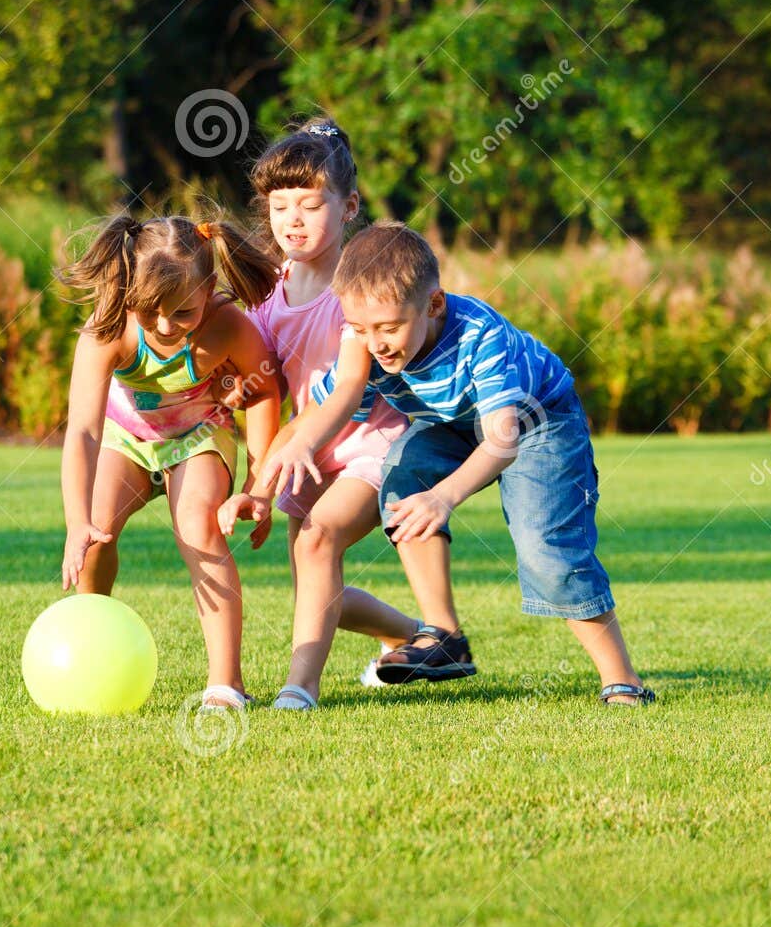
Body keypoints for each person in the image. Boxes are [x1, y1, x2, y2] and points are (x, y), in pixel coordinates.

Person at [260, 221, 655, 705]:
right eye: (360, 330)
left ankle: (623, 680)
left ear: (433, 305)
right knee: (403, 477)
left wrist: (444, 495)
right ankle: (444, 636)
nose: (376, 344)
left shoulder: (477, 335)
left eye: (389, 328)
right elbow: (322, 409)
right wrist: (267, 479)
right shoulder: (366, 347)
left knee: (545, 548)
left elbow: (502, 439)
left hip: (537, 419)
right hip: (451, 424)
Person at [216, 119, 417, 711]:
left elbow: (349, 387)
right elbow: (263, 392)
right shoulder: (269, 289)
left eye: (309, 204)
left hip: (370, 446)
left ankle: (300, 689)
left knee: (318, 542)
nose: (293, 221)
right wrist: (255, 480)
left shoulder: (358, 284)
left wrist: (297, 448)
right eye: (280, 207)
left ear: (349, 205)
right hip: (306, 451)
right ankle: (417, 638)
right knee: (312, 578)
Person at [58, 215, 283, 710]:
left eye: (182, 313)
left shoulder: (227, 326)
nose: (164, 326)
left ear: (208, 288)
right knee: (98, 533)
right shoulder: (111, 326)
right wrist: (77, 523)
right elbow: (84, 431)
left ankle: (226, 684)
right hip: (128, 437)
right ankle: (91, 651)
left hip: (199, 435)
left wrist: (259, 484)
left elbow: (265, 389)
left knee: (198, 527)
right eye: (149, 311)